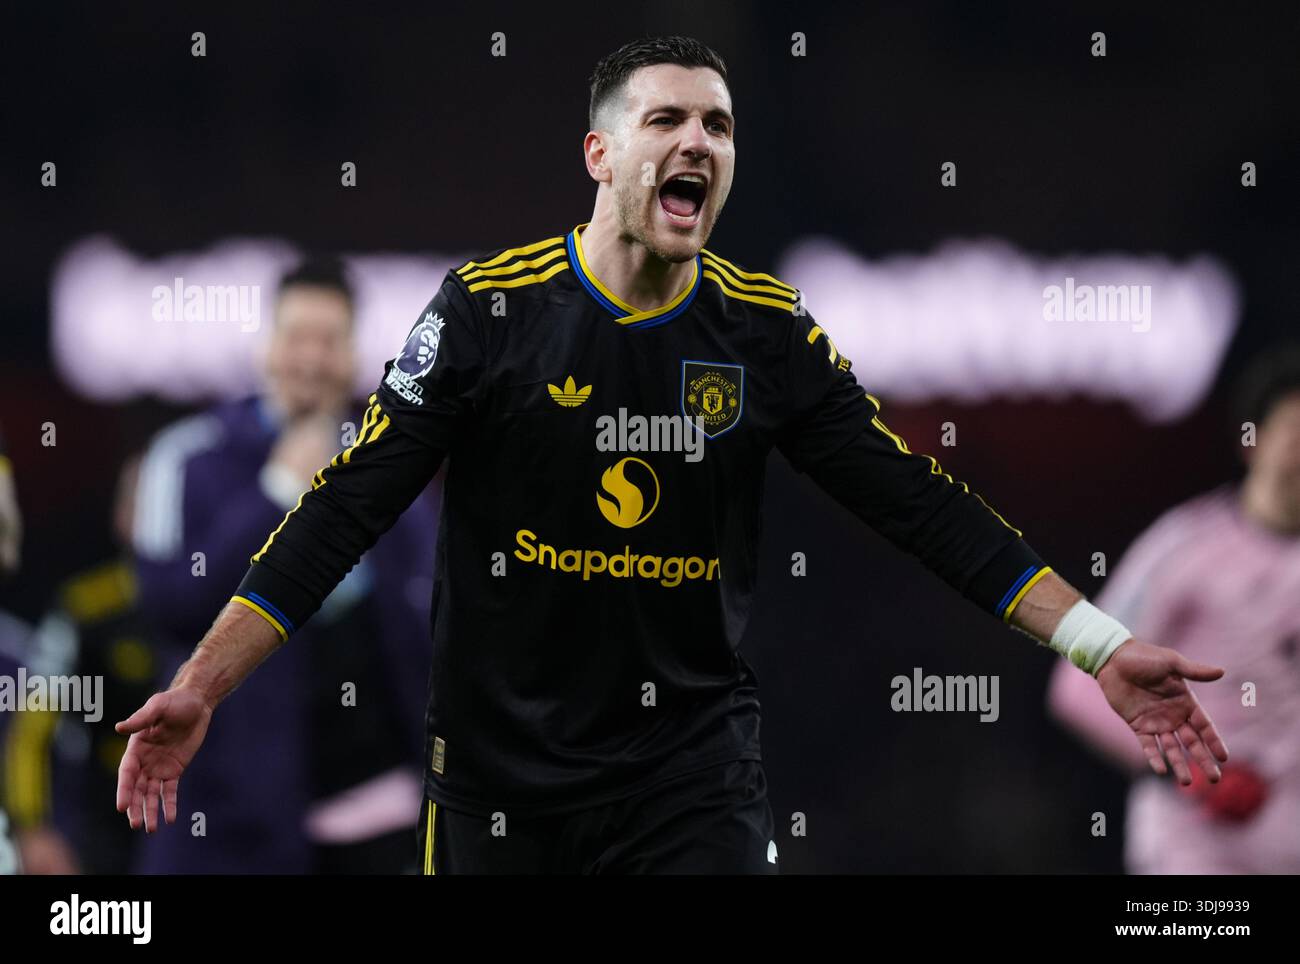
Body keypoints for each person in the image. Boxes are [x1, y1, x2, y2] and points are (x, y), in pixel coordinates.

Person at [117, 36, 1229, 875]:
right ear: (600, 154)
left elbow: (918, 504)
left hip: (689, 779)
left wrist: (1095, 642)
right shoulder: (486, 312)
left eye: (719, 124)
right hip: (502, 789)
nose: (697, 141)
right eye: (665, 120)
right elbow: (342, 509)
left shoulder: (765, 331)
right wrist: (200, 687)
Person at [127, 258, 436, 873]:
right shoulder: (187, 457)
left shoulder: (395, 468)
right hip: (230, 825)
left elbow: (429, 623)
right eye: (297, 337)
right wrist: (275, 492)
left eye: (331, 340)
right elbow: (166, 607)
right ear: (266, 346)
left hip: (379, 817)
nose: (312, 359)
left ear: (354, 353)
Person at [1049, 347, 1300, 873]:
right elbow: (1077, 685)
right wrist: (1193, 773)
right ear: (1252, 441)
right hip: (1194, 849)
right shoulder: (1183, 547)